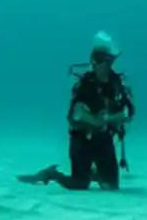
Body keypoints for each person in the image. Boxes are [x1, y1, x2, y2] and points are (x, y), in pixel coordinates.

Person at [18, 39, 134, 190]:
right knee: (79, 185)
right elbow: (76, 113)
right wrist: (96, 121)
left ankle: (95, 173)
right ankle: (52, 174)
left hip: (104, 138)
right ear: (93, 63)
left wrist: (109, 119)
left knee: (111, 187)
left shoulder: (117, 84)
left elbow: (128, 111)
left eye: (107, 62)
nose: (104, 66)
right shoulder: (85, 84)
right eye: (100, 62)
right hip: (81, 139)